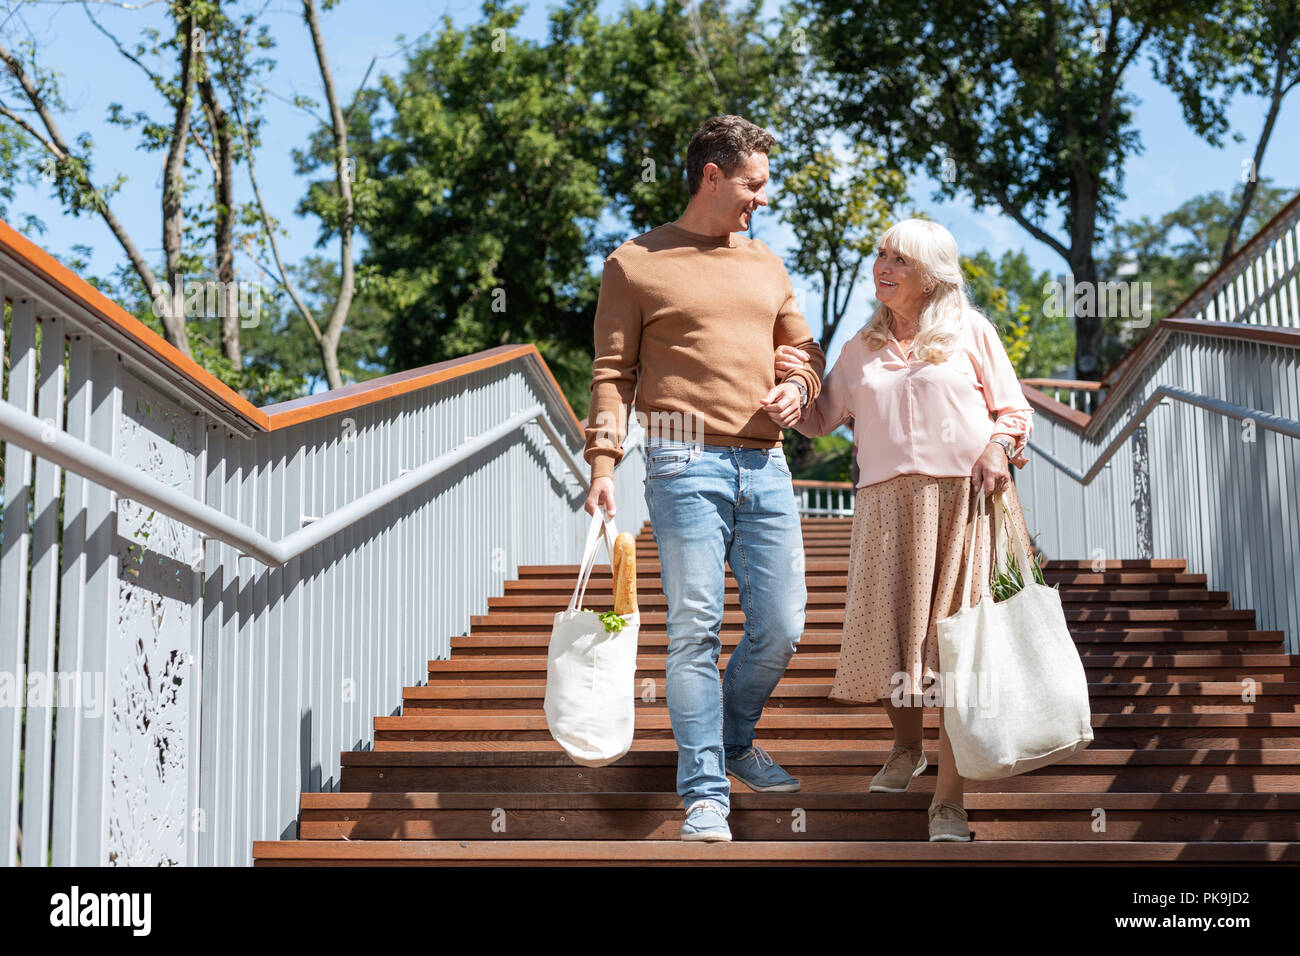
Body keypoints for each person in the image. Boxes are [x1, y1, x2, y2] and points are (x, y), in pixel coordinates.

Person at [582, 115, 826, 842]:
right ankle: (705, 793)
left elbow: (804, 352)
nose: (763, 199)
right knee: (694, 631)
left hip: (767, 462)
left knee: (782, 627)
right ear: (712, 176)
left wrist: (802, 388)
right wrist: (602, 465)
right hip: (682, 461)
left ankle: (733, 735)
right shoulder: (634, 263)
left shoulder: (766, 263)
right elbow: (610, 375)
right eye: (754, 185)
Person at [777, 217, 1034, 842]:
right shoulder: (859, 347)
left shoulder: (972, 331)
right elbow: (819, 419)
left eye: (901, 260)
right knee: (895, 636)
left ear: (933, 275)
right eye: (880, 254)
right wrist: (785, 378)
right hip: (885, 509)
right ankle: (905, 746)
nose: (882, 267)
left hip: (964, 504)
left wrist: (999, 446)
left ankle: (949, 801)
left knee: (956, 650)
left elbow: (1014, 409)